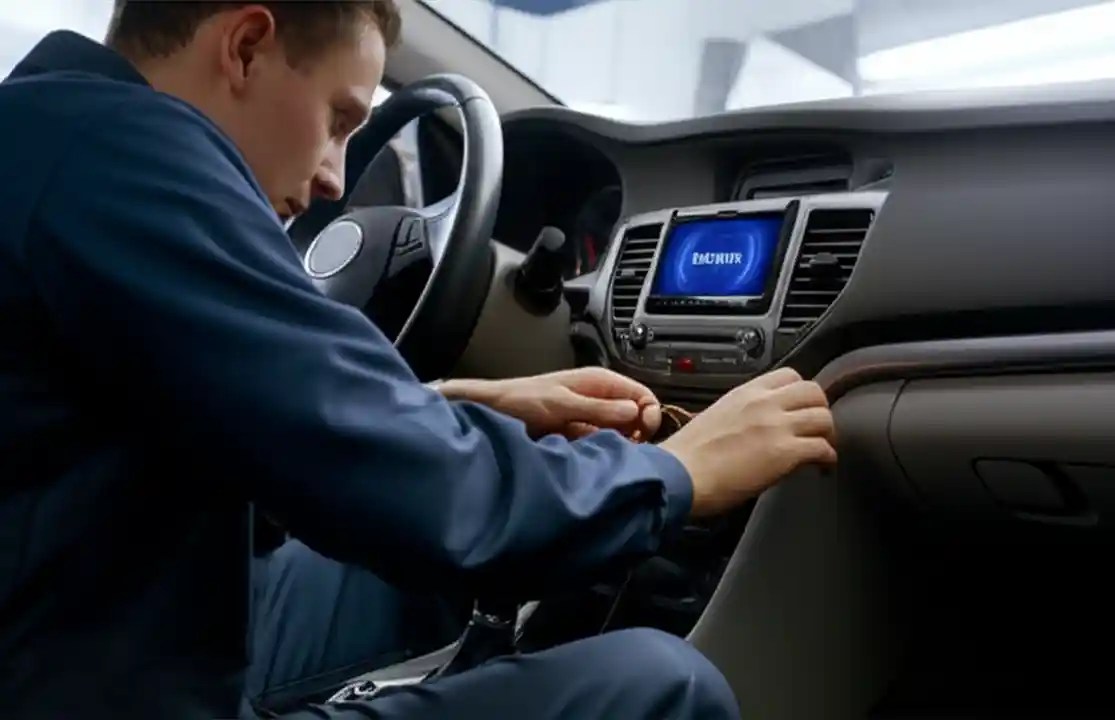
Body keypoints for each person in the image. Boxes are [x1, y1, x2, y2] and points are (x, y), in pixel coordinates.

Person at [0, 2, 838, 719]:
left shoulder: (47, 136)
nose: (335, 179)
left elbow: (262, 445)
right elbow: (428, 500)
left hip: (89, 640)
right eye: (339, 119)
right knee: (662, 685)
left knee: (424, 578)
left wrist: (448, 408)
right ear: (246, 46)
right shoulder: (126, 158)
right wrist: (679, 474)